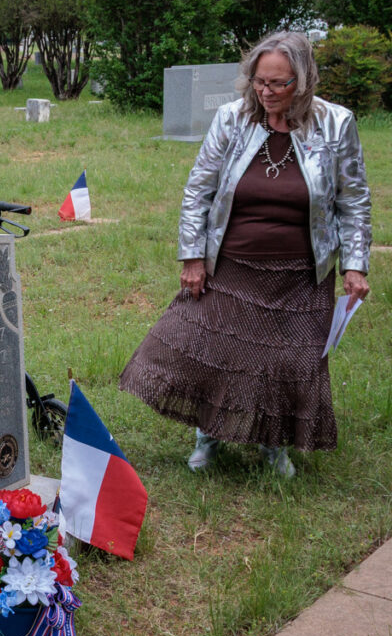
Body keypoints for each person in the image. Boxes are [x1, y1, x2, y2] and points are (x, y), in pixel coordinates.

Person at [119, 31, 371, 478]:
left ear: (304, 80)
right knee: (214, 351)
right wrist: (193, 256)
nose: (266, 92)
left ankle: (273, 446)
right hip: (233, 263)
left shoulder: (337, 123)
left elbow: (354, 202)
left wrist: (354, 264)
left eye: (279, 84)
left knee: (285, 362)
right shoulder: (232, 119)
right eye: (259, 81)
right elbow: (200, 187)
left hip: (301, 270)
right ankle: (208, 435)